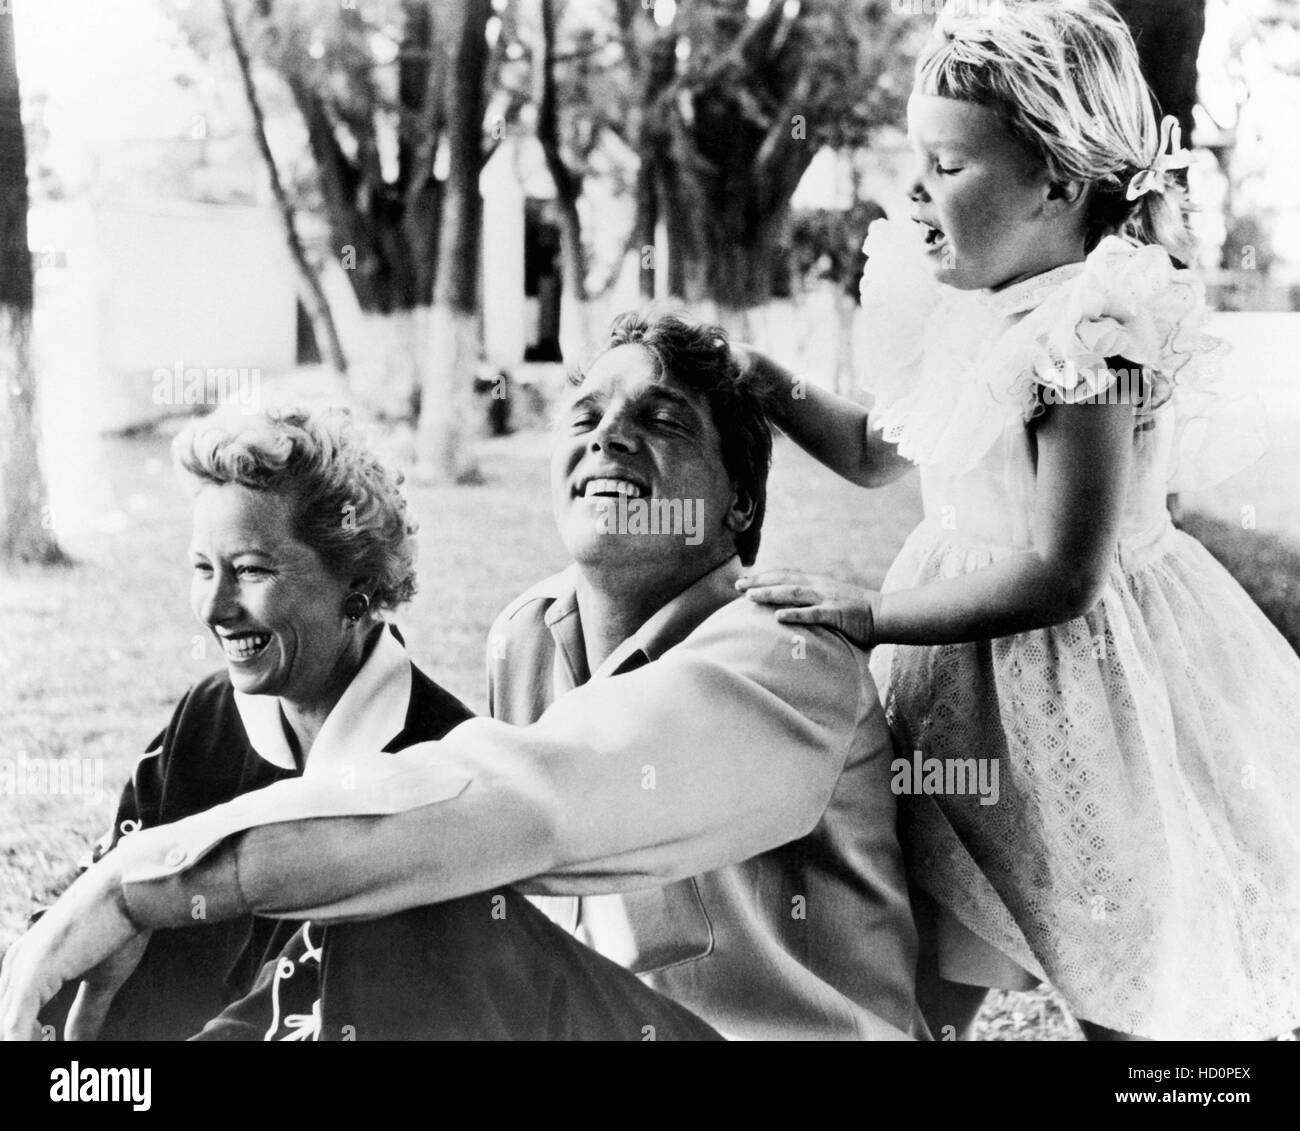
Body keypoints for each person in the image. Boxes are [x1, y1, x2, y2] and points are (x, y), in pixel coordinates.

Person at [0, 313, 924, 1042]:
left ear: (740, 503)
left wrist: (136, 880)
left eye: (663, 417)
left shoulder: (787, 649)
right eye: (586, 414)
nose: (608, 437)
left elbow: (531, 802)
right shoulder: (528, 637)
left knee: (416, 890)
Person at [734, 0, 1300, 1041]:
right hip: (963, 680)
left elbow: (1063, 574)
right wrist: (765, 381)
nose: (915, 188)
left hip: (1085, 680)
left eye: (947, 165)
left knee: (1115, 943)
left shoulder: (1092, 334)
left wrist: (871, 614)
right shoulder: (962, 313)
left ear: (1056, 182)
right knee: (935, 910)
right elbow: (875, 452)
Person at [30, 405, 472, 1040]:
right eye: (203, 569)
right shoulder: (206, 718)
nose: (214, 607)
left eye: (251, 570)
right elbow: (88, 915)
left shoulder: (441, 764)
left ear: (357, 580)